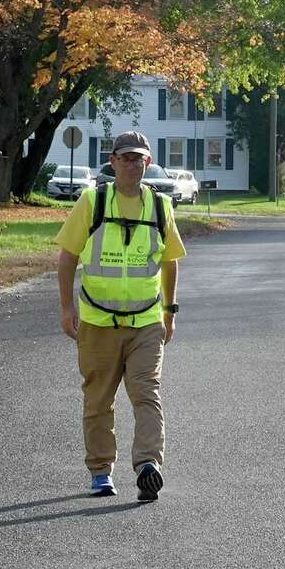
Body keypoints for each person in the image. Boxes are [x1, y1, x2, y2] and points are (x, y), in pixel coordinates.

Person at [55, 131, 184, 502]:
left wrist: (169, 311)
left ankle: (148, 465)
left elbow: (170, 261)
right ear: (112, 162)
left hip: (146, 321)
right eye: (125, 158)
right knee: (99, 399)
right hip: (98, 322)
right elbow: (67, 257)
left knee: (147, 393)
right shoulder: (92, 201)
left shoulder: (160, 206)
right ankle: (100, 470)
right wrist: (67, 307)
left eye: (138, 158)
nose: (132, 164)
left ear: (148, 162)